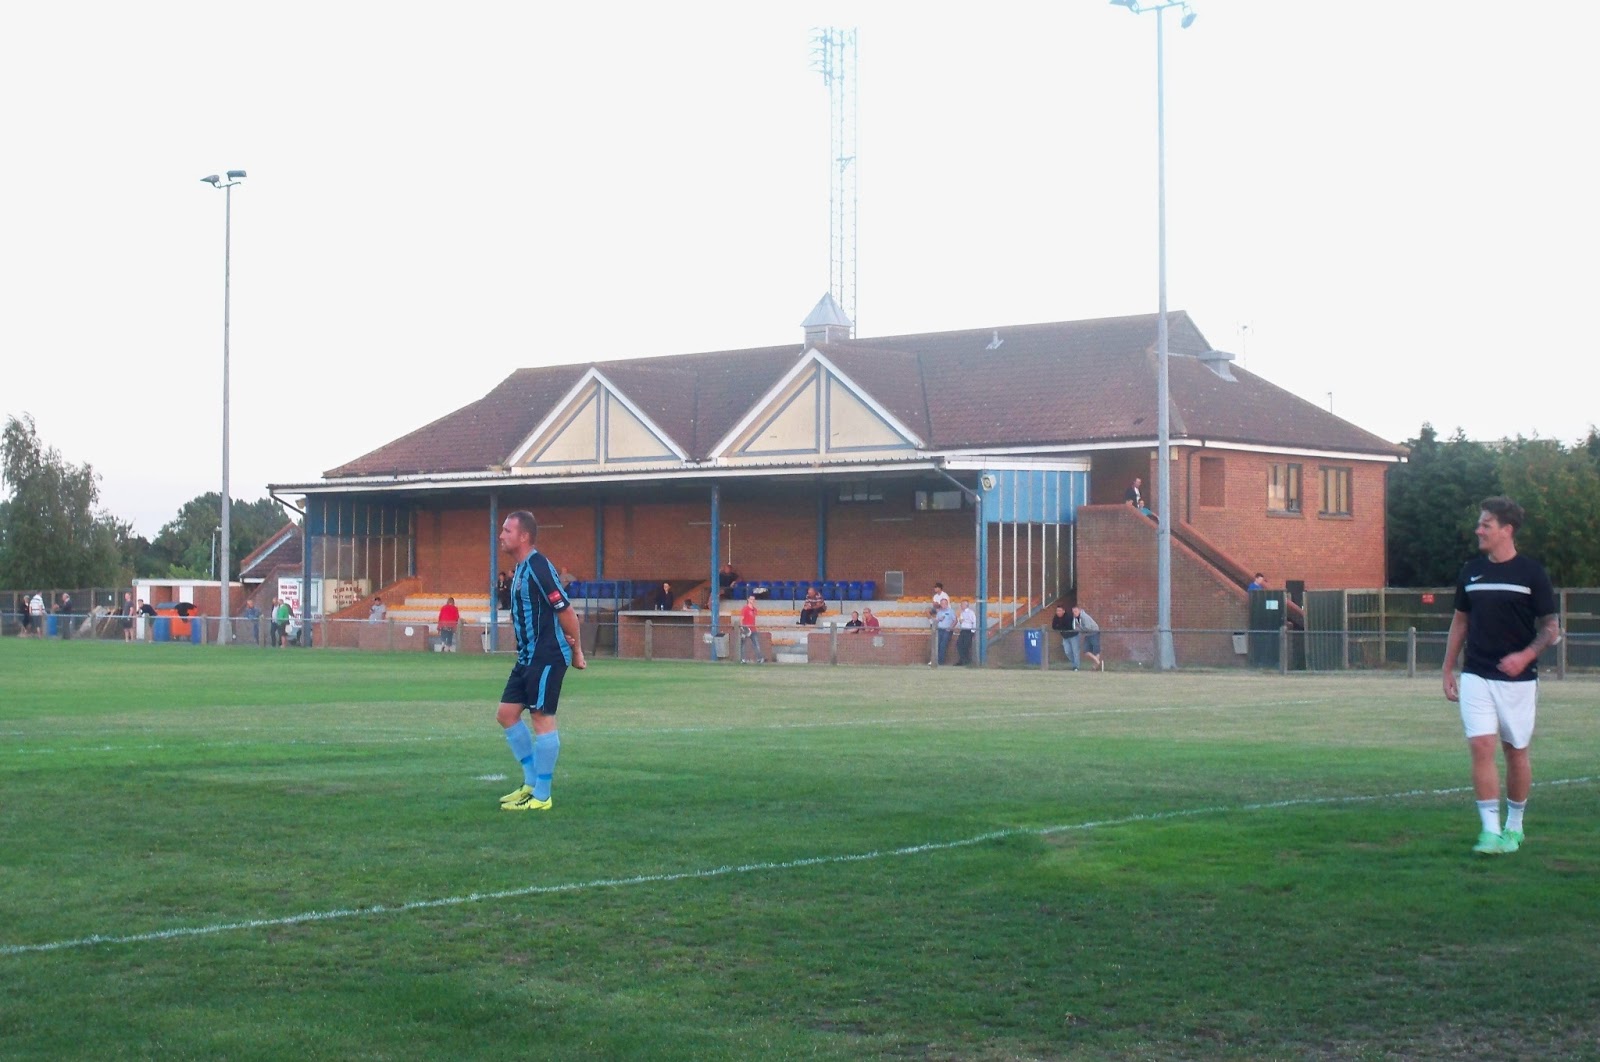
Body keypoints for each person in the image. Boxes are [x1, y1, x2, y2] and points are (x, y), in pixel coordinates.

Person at [1442, 496, 1559, 856]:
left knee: (1515, 751)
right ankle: (1490, 832)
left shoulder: (1532, 574)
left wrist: (1525, 656)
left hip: (1519, 682)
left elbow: (1551, 628)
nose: (1479, 530)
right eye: (1480, 524)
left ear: (1506, 530)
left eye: (1486, 524)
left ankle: (1514, 826)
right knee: (1481, 746)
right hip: (1477, 672)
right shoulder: (1471, 572)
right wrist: (1448, 667)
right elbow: (1460, 621)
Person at [495, 510, 586, 812]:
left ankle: (542, 795)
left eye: (507, 531)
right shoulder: (519, 569)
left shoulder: (538, 566)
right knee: (507, 713)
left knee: (541, 718)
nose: (501, 535)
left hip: (547, 655)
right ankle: (531, 782)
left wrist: (577, 651)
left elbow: (566, 610)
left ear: (523, 536)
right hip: (527, 657)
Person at [1072, 605, 1104, 671]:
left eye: (1076, 611)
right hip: (1087, 634)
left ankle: (1095, 667)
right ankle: (1097, 662)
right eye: (1073, 612)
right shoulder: (1076, 618)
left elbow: (1088, 628)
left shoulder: (1084, 617)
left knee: (1096, 650)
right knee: (1086, 651)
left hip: (1094, 632)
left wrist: (1079, 629)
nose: (1074, 613)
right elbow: (1076, 627)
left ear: (1080, 611)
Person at [738, 594, 764, 663]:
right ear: (748, 599)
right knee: (743, 645)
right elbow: (741, 619)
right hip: (746, 629)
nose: (752, 600)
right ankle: (743, 659)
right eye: (751, 599)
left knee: (756, 644)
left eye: (753, 599)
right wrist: (742, 628)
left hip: (753, 629)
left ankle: (759, 658)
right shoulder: (745, 608)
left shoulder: (755, 610)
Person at [933, 597, 955, 665]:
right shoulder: (939, 612)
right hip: (940, 630)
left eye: (944, 603)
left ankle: (940, 662)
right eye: (941, 603)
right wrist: (939, 619)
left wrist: (950, 628)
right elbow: (936, 620)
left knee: (943, 645)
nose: (943, 605)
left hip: (946, 630)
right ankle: (936, 661)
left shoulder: (951, 611)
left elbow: (955, 620)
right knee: (937, 645)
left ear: (947, 604)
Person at [956, 599, 977, 665]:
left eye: (962, 604)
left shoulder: (971, 613)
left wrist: (972, 631)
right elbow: (960, 622)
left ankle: (965, 660)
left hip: (968, 631)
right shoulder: (961, 613)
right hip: (963, 630)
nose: (961, 606)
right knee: (959, 645)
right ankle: (963, 660)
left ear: (966, 605)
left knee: (966, 646)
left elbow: (974, 622)